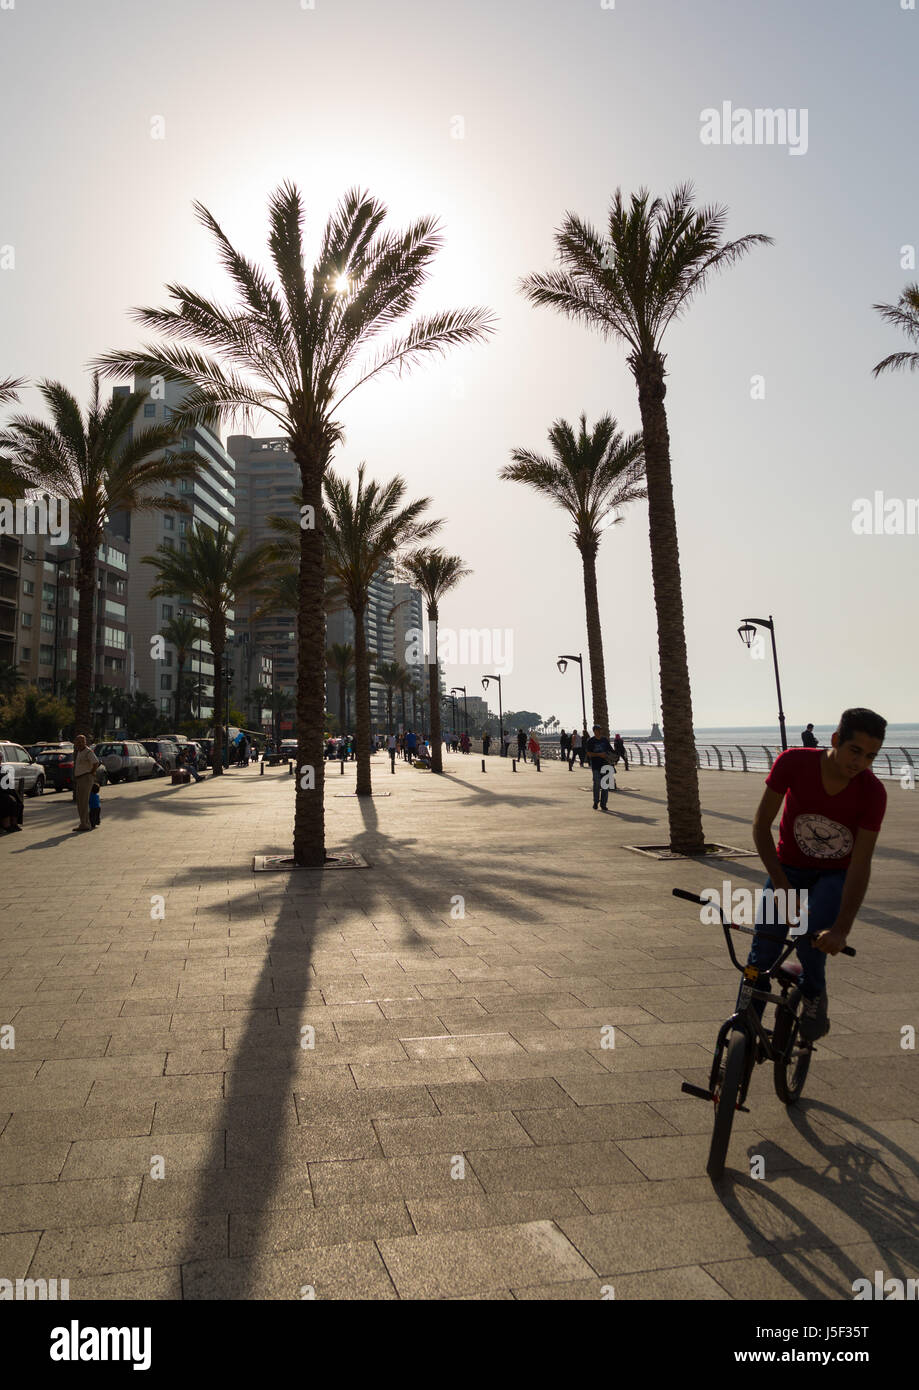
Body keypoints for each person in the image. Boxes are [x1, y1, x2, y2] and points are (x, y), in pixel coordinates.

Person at [744, 707, 888, 1042]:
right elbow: (761, 826)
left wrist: (840, 929)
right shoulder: (794, 763)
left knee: (811, 937)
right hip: (788, 870)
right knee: (759, 956)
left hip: (834, 877)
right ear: (836, 739)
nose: (860, 763)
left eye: (870, 756)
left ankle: (814, 995)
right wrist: (780, 884)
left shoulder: (872, 792)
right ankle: (744, 1027)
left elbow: (860, 864)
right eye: (855, 751)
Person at [72, 735, 101, 832]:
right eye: (77, 742)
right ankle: (83, 823)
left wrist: (91, 772)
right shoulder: (79, 752)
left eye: (81, 742)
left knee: (83, 802)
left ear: (85, 742)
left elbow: (96, 763)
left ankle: (85, 824)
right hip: (80, 778)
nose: (79, 744)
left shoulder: (88, 752)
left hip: (85, 778)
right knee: (80, 802)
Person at [586, 724, 616, 810]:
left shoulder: (604, 740)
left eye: (600, 730)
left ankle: (603, 804)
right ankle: (595, 802)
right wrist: (599, 754)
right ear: (594, 731)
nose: (600, 731)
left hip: (606, 765)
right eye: (598, 730)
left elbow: (610, 750)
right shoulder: (591, 741)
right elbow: (588, 753)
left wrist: (614, 755)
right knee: (596, 784)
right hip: (595, 766)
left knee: (605, 785)